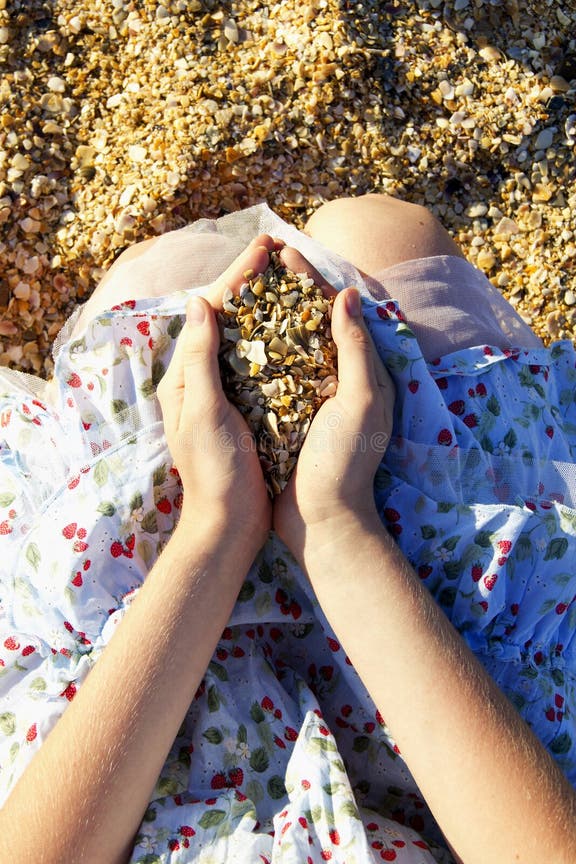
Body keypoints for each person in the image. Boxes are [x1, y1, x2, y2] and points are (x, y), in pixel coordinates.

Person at [0, 194, 575, 864]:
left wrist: (216, 526)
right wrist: (335, 528)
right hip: (459, 748)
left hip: (132, 749)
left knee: (169, 284)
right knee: (379, 233)